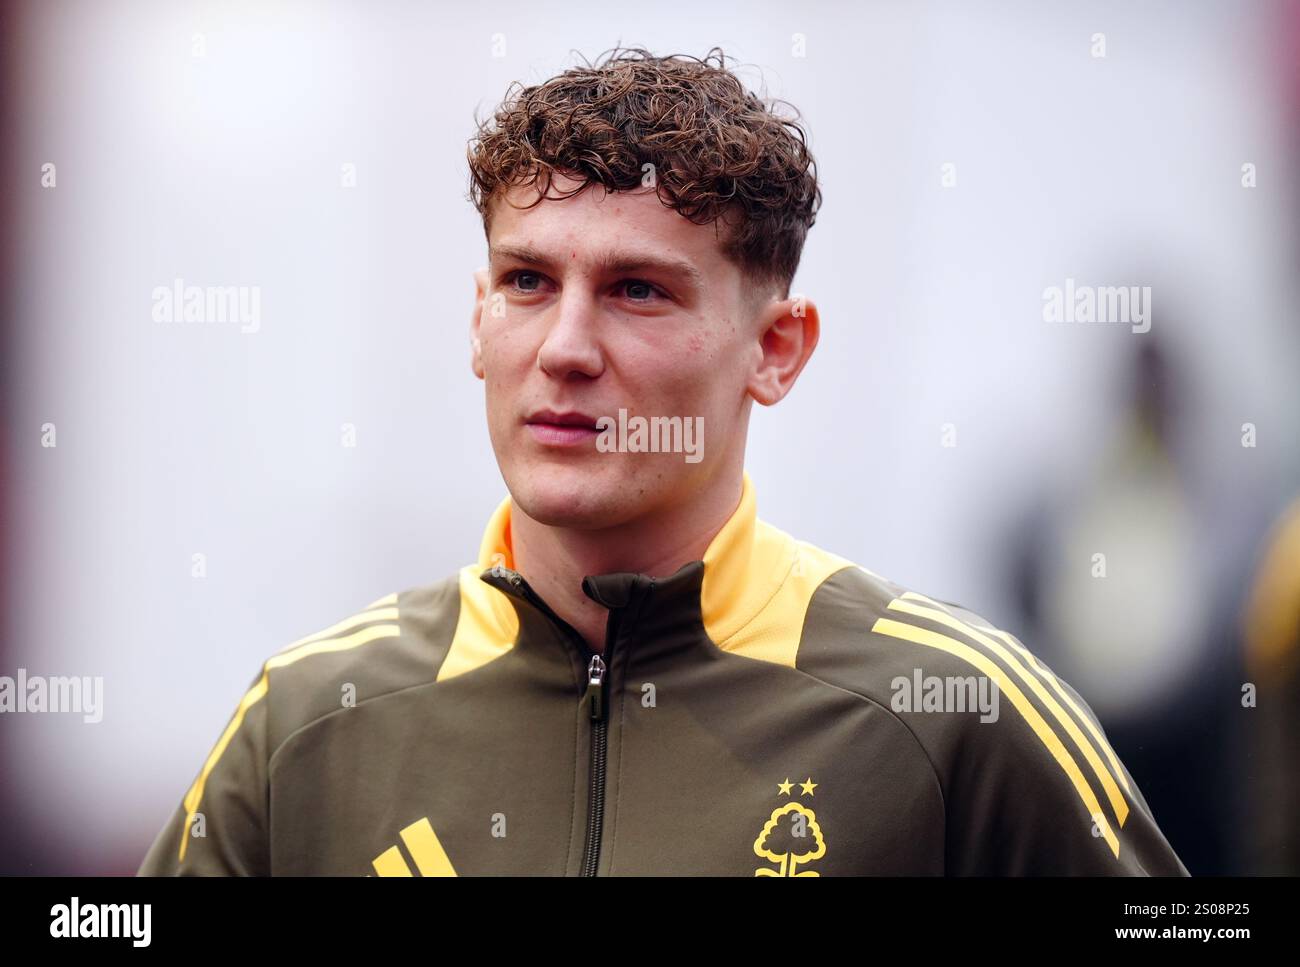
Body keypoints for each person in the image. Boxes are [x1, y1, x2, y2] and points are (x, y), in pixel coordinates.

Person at [138, 46, 1188, 876]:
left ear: (776, 352)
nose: (564, 349)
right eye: (526, 282)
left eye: (638, 289)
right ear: (476, 320)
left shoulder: (955, 715)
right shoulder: (308, 718)